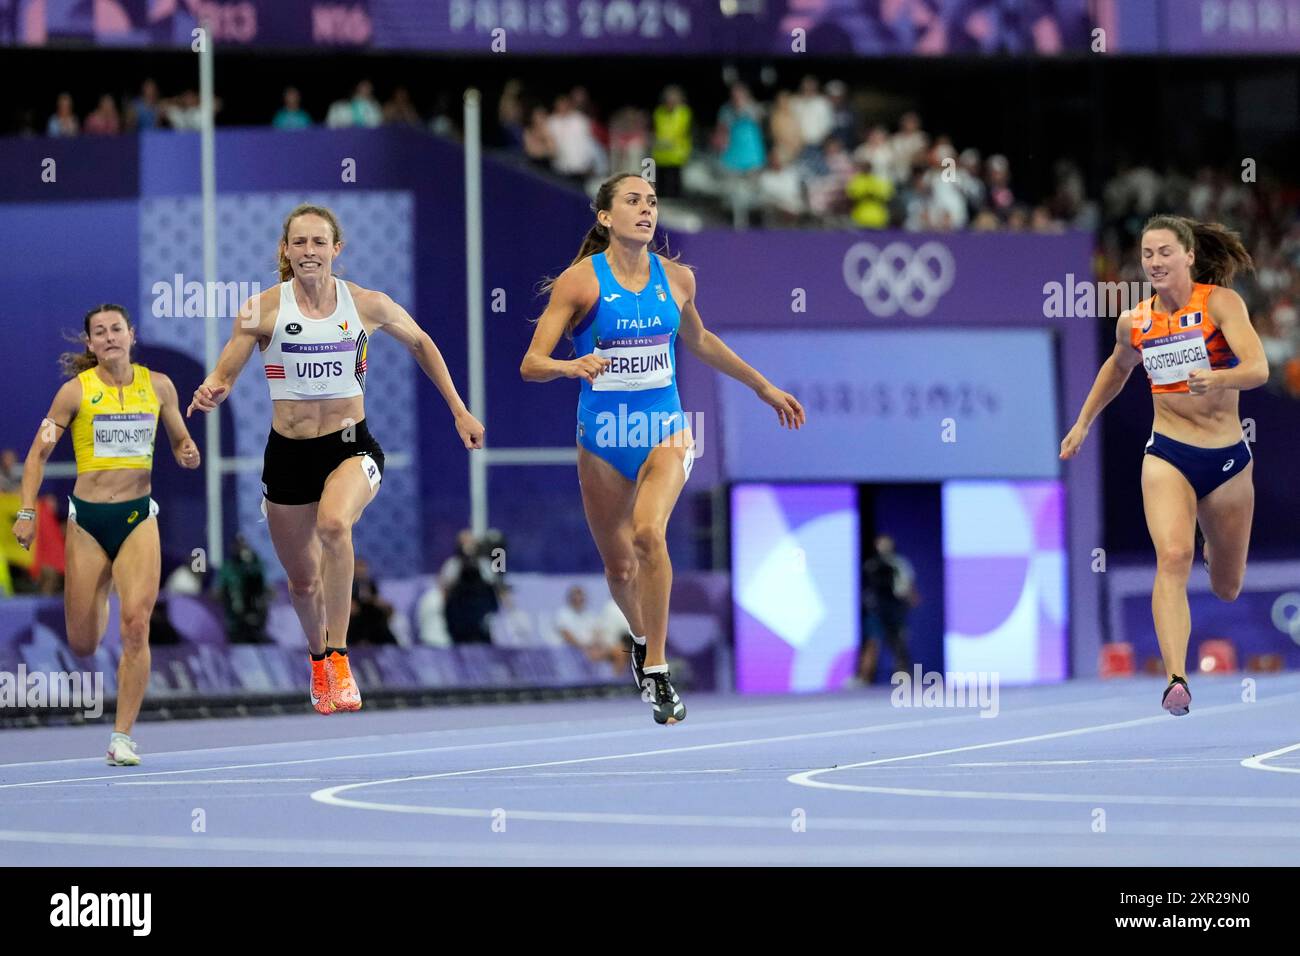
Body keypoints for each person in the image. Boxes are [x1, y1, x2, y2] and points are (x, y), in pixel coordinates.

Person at [522, 172, 805, 723]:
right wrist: (568, 365)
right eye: (632, 201)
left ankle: (656, 666)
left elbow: (698, 340)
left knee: (650, 534)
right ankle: (637, 637)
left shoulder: (676, 279)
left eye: (651, 202)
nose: (646, 210)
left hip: (663, 429)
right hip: (603, 437)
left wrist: (763, 387)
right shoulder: (580, 283)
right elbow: (531, 364)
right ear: (605, 217)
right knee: (620, 569)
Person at [188, 203, 483, 714]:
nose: (309, 251)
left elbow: (422, 344)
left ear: (335, 250)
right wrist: (213, 390)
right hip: (287, 458)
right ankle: (319, 659)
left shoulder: (366, 304)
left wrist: (459, 410)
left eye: (318, 242)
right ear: (285, 250)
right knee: (302, 582)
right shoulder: (262, 310)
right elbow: (225, 373)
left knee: (333, 526)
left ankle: (343, 658)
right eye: (299, 243)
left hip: (351, 446)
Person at [1061, 215, 1267, 715]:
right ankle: (1177, 678)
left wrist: (1216, 379)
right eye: (1147, 253)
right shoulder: (1136, 321)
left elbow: (1258, 369)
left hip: (1226, 461)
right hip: (1168, 453)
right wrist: (1084, 422)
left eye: (1164, 252)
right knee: (1171, 556)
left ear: (1189, 256)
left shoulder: (1220, 304)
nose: (1154, 261)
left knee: (1226, 585)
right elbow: (1117, 366)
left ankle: (1210, 549)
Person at [11, 305, 201, 764]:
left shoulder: (158, 386)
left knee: (136, 624)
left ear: (131, 335)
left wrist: (186, 450)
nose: (110, 336)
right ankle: (101, 587)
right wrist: (27, 511)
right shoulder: (74, 393)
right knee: (83, 642)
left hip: (138, 518)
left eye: (117, 329)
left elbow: (180, 438)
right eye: (100, 332)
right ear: (91, 344)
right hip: (88, 523)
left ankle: (122, 737)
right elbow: (37, 456)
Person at [857, 535, 918, 684]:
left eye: (887, 543)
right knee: (872, 642)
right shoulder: (871, 564)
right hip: (877, 610)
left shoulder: (900, 564)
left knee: (899, 643)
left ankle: (904, 678)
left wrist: (910, 597)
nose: (884, 546)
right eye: (881, 544)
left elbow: (907, 585)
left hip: (895, 608)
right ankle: (864, 678)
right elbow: (867, 588)